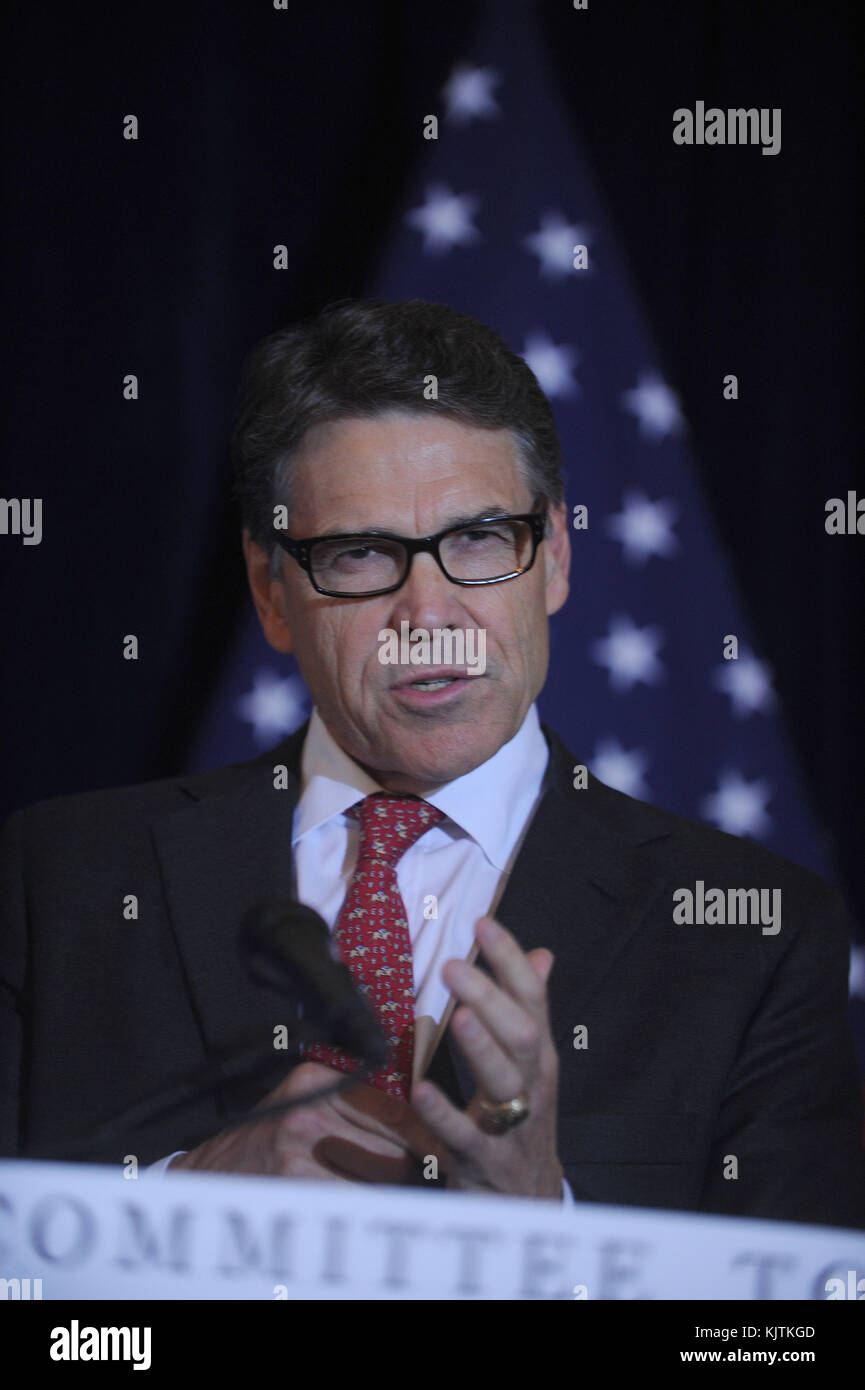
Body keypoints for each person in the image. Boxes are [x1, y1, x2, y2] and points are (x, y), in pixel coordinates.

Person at [1, 298, 863, 1227]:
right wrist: (176, 1202)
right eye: (361, 554)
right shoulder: (60, 879)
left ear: (557, 557)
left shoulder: (752, 938)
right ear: (271, 591)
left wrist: (540, 1222)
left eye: (478, 541)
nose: (429, 616)